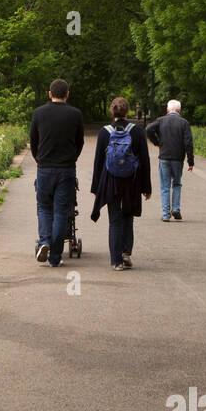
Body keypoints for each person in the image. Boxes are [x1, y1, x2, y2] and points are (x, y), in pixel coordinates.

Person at [90, 97, 152, 270]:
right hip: (131, 181)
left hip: (111, 181)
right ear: (128, 111)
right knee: (128, 217)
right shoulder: (137, 131)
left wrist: (96, 187)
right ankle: (126, 253)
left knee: (114, 220)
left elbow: (99, 161)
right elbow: (145, 160)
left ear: (112, 111)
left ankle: (116, 261)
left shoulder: (105, 132)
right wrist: (146, 187)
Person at [29, 78, 84, 267]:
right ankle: (55, 257)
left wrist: (40, 159)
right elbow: (80, 142)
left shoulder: (39, 113)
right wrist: (71, 158)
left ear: (50, 94)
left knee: (44, 207)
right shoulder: (75, 114)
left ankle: (44, 241)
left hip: (44, 168)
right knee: (61, 212)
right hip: (66, 169)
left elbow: (33, 141)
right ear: (67, 94)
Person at [145, 99, 194, 221]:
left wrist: (157, 142)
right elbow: (188, 143)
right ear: (179, 110)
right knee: (177, 183)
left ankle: (166, 214)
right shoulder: (184, 123)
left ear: (168, 109)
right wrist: (190, 161)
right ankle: (176, 208)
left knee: (165, 186)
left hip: (164, 157)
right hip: (178, 158)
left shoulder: (161, 121)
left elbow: (148, 129)